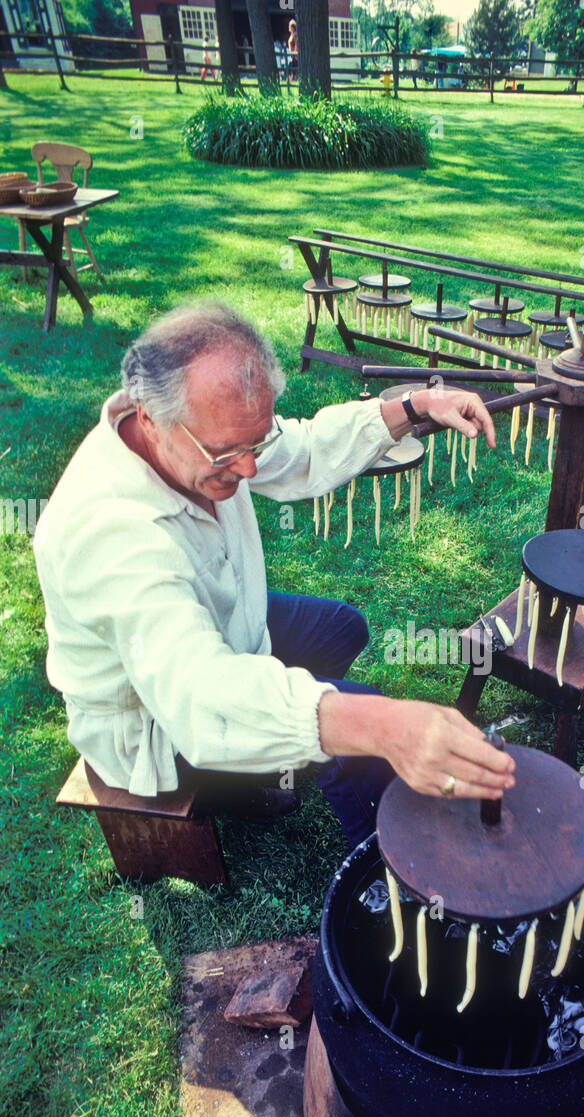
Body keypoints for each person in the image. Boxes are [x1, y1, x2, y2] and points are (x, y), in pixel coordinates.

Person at [33, 302, 513, 850]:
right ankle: (387, 870)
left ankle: (265, 762)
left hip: (223, 627)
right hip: (154, 724)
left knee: (343, 628)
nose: (250, 469)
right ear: (149, 418)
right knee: (362, 741)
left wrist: (417, 403)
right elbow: (199, 692)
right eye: (225, 454)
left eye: (253, 442)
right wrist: (379, 725)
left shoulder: (204, 430)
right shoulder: (108, 534)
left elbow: (300, 447)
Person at [287, 19, 298, 83]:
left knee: (292, 68)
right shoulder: (291, 35)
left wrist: (295, 54)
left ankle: (289, 82)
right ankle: (289, 83)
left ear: (292, 27)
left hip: (294, 55)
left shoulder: (295, 34)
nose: (288, 27)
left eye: (289, 26)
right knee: (290, 69)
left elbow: (296, 44)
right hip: (291, 55)